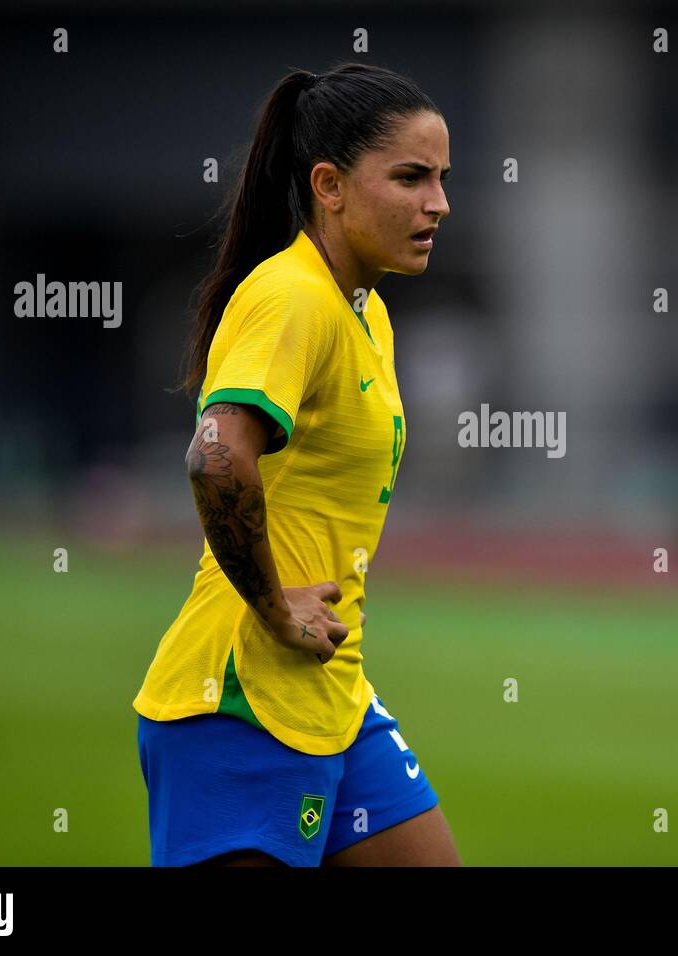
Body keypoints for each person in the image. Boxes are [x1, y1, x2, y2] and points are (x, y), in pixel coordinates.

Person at [132, 63, 459, 866]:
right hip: (241, 702)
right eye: (411, 178)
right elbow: (215, 459)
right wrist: (275, 605)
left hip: (332, 687)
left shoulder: (365, 309)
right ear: (330, 186)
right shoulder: (293, 298)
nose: (438, 204)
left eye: (443, 179)